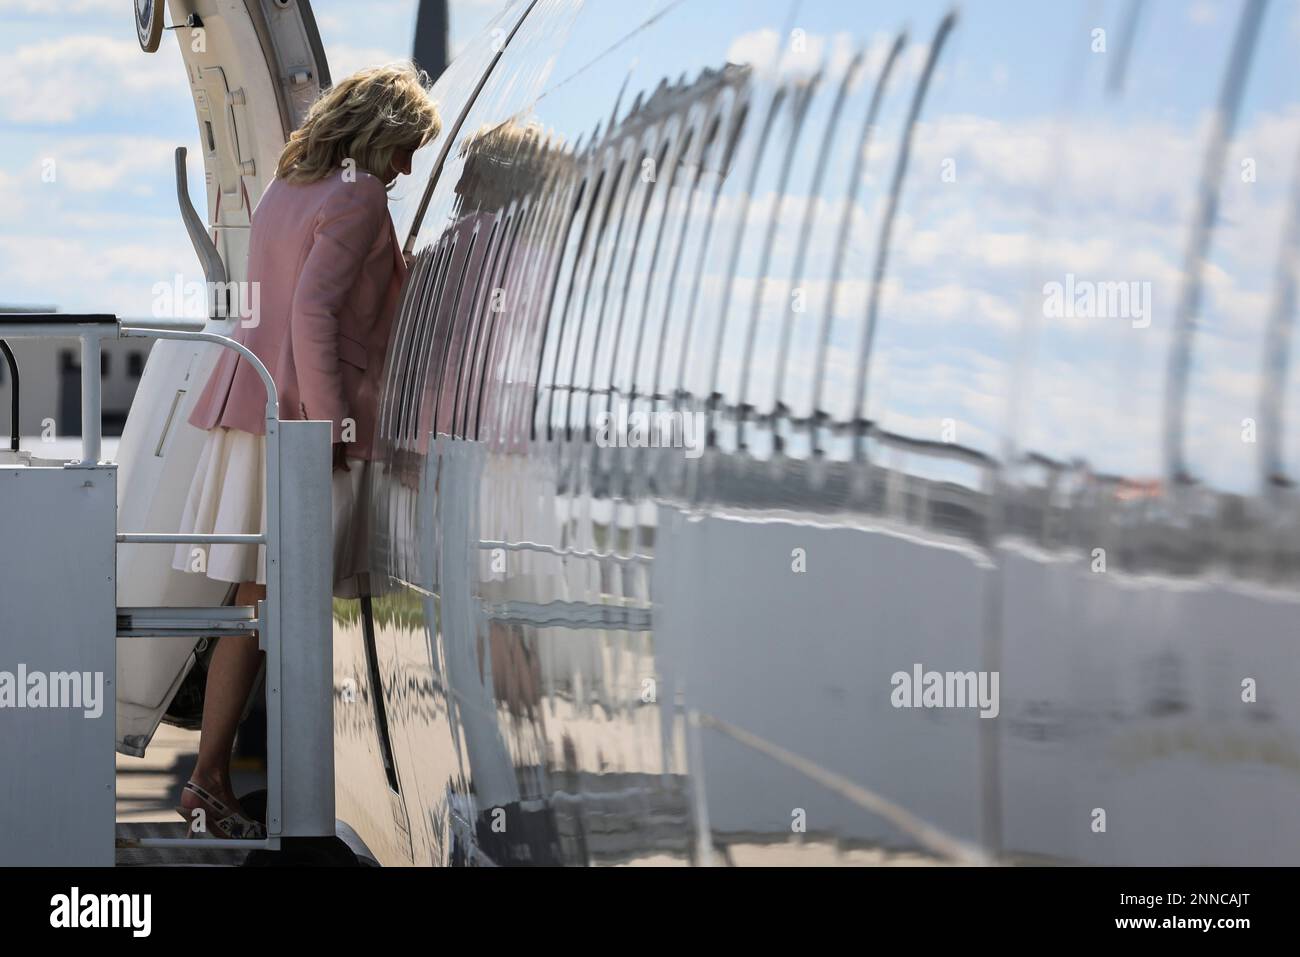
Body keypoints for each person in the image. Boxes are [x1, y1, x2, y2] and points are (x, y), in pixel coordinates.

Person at [168, 62, 440, 839]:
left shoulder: (290, 187)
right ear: (382, 134)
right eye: (408, 147)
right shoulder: (358, 195)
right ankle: (274, 800)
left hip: (251, 403)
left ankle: (209, 777)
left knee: (257, 604)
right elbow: (314, 318)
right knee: (283, 608)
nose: (409, 166)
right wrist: (329, 430)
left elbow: (296, 298)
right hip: (298, 418)